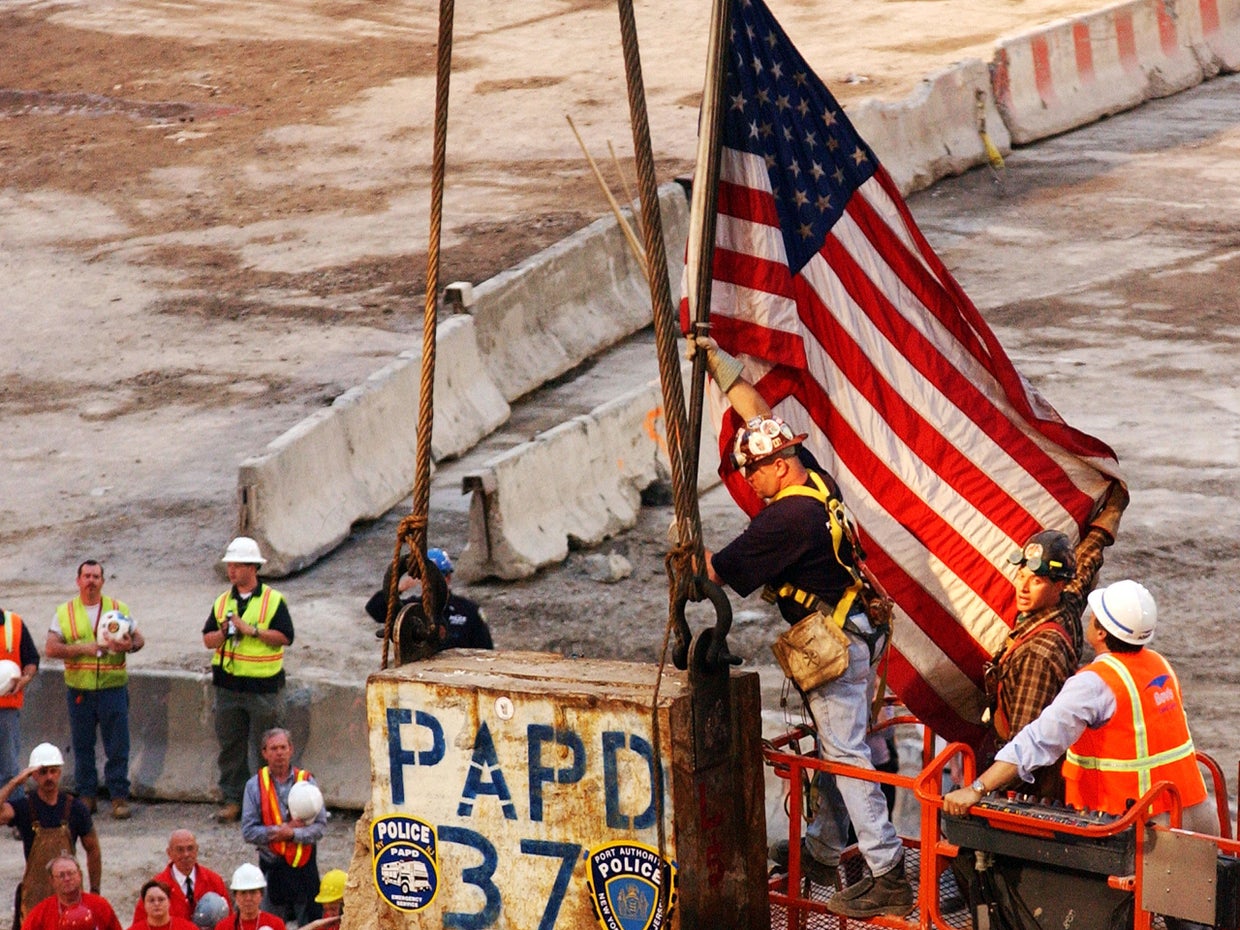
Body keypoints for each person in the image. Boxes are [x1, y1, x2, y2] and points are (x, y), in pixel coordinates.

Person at [694, 337, 913, 919]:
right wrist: (721, 366)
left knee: (845, 757)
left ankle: (888, 871)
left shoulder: (787, 519)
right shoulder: (816, 488)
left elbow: (714, 572)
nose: (749, 481)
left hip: (834, 646)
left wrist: (684, 554)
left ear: (779, 464)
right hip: (857, 635)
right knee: (842, 745)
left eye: (754, 470)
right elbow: (759, 415)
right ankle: (820, 849)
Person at [944, 580, 1215, 836]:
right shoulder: (1159, 665)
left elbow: (1037, 740)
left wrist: (977, 788)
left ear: (1099, 632)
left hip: (1141, 828)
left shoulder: (1094, 683)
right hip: (1197, 813)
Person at [981, 482, 1127, 800]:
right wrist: (1110, 515)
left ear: (1057, 586)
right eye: (1021, 576)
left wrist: (982, 790)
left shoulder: (1040, 653)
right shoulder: (1067, 601)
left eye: (1036, 580)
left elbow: (1023, 745)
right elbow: (1087, 561)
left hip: (1023, 789)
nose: (1023, 587)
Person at [203, 538, 293, 824]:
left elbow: (284, 637)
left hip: (263, 689)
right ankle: (233, 800)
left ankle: (268, 804)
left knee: (267, 748)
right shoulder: (222, 601)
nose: (231, 571)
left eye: (237, 565)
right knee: (231, 747)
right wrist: (224, 633)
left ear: (253, 567)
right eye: (230, 565)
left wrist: (251, 630)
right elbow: (208, 639)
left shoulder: (273, 600)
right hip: (228, 687)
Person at [46, 559, 144, 820]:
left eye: (96, 576)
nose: (91, 581)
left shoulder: (118, 608)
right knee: (82, 745)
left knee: (118, 746)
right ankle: (86, 797)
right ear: (78, 580)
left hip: (113, 688)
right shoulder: (64, 612)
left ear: (102, 581)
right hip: (80, 690)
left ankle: (118, 798)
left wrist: (129, 646)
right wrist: (82, 649)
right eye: (86, 576)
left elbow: (139, 639)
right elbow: (51, 648)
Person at [1, 743, 102, 923]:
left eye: (53, 771)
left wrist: (95, 892)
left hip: (70, 894)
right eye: (43, 772)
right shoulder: (25, 807)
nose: (49, 777)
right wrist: (15, 782)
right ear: (33, 775)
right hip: (35, 898)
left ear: (60, 772)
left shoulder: (76, 808)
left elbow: (93, 849)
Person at [241, 729, 327, 928]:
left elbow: (320, 826)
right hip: (273, 869)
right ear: (264, 753)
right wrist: (279, 831)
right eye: (273, 748)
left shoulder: (306, 781)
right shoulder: (254, 786)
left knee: (311, 924)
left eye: (283, 747)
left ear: (291, 750)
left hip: (305, 868)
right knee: (271, 925)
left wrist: (293, 834)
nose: (279, 753)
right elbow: (248, 831)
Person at [364, 547, 492, 649]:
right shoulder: (413, 609)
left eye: (437, 578)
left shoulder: (468, 611)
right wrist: (398, 589)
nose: (431, 583)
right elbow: (375, 609)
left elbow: (485, 650)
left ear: (448, 578)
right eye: (426, 578)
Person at [132, 831, 230, 925]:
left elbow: (230, 922)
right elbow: (140, 925)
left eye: (190, 848)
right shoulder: (156, 888)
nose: (186, 854)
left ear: (197, 850)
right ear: (169, 853)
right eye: (180, 850)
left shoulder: (214, 880)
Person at [19, 854, 121, 930]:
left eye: (71, 873)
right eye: (61, 875)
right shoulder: (40, 914)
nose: (67, 879)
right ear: (52, 881)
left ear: (80, 875)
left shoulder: (100, 906)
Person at [1, 605, 40, 797]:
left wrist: (26, 678)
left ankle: (14, 816)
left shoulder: (14, 623)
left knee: (9, 769)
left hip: (6, 709)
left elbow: (32, 659)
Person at [213, 865, 285, 930]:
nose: (248, 898)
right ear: (235, 896)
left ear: (261, 894)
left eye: (253, 892)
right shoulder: (224, 927)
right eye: (243, 893)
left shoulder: (276, 925)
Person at [127, 881, 198, 930]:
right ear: (144, 904)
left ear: (169, 902)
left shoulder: (188, 928)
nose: (156, 904)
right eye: (151, 900)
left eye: (161, 899)